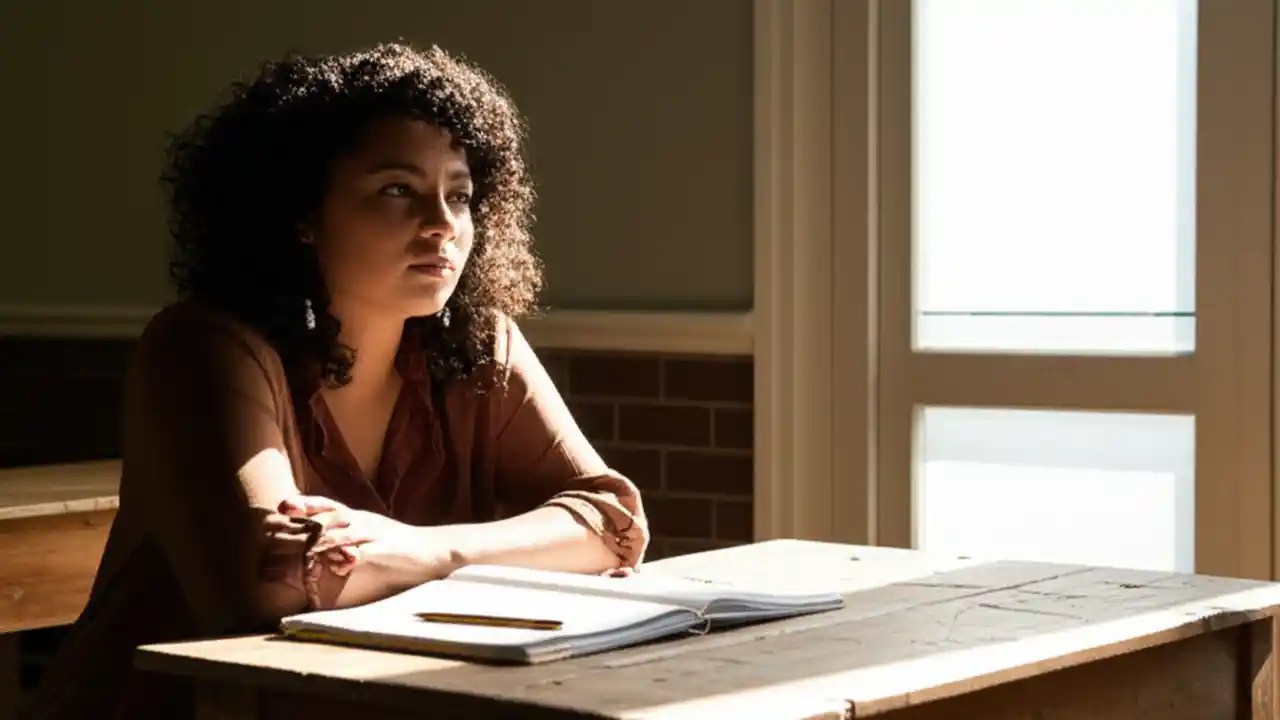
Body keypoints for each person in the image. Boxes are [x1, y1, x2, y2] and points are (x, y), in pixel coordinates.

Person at [33, 42, 648, 718]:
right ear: (302, 212)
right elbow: (266, 585)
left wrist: (422, 550)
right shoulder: (202, 347)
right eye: (397, 190)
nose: (442, 225)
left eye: (460, 195)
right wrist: (522, 549)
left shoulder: (480, 346)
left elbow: (613, 523)